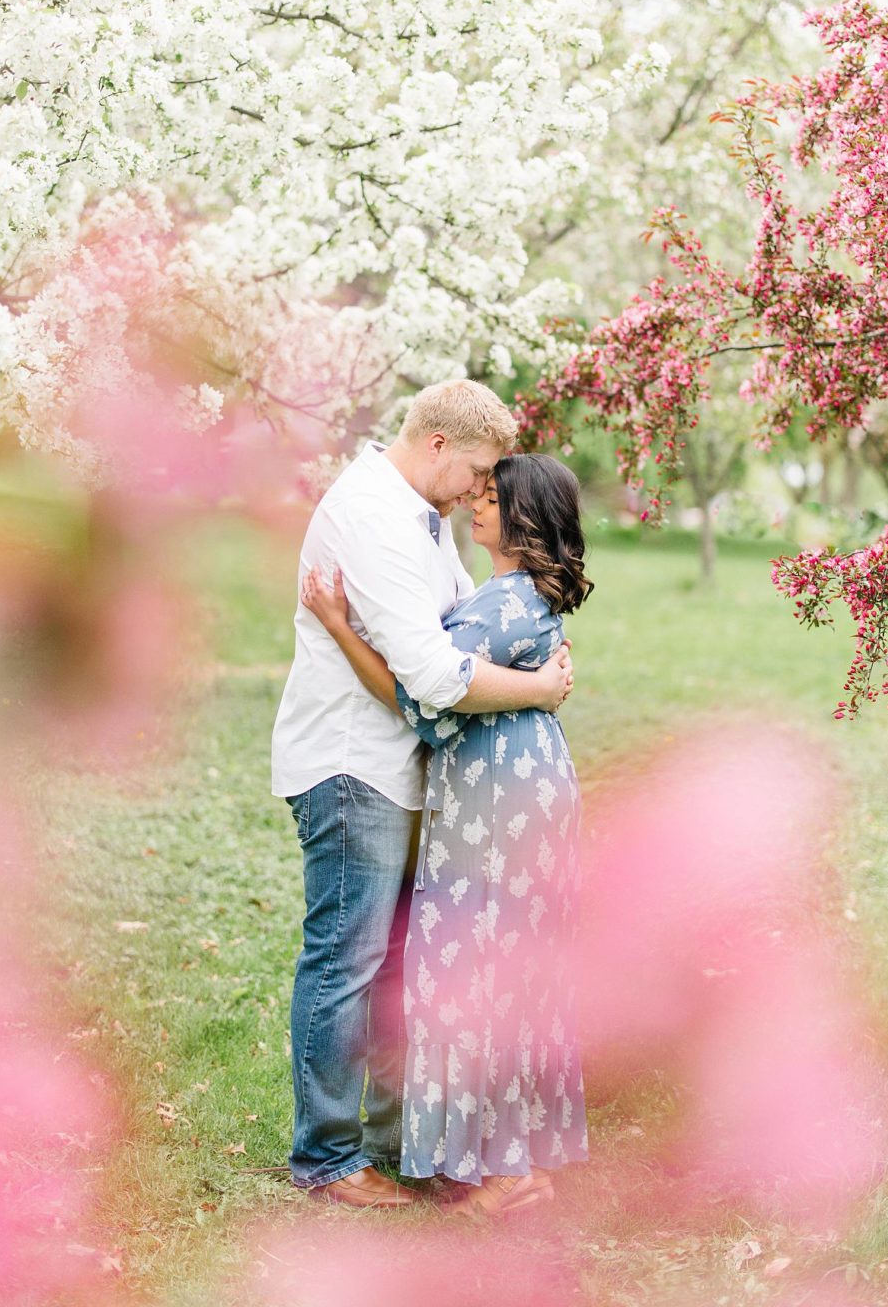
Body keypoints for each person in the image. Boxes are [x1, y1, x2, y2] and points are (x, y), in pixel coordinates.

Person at [272, 382, 574, 1209]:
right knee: (348, 962)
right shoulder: (373, 518)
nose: (480, 491)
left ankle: (396, 1141)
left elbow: (460, 624)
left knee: (398, 965)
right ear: (436, 443)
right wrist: (536, 690)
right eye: (476, 470)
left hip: (407, 771)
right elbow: (437, 676)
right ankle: (329, 1162)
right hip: (351, 767)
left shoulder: (420, 519)